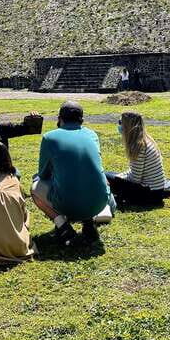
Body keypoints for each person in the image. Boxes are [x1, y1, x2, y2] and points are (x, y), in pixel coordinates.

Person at [31, 101, 115, 246]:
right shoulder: (92, 135)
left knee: (35, 188)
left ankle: (63, 227)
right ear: (81, 119)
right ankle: (88, 222)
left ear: (60, 119)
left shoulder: (49, 137)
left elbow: (43, 174)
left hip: (68, 205)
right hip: (99, 202)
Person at [105, 111, 170, 206]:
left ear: (128, 126)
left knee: (104, 176)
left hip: (150, 194)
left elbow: (135, 178)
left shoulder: (138, 145)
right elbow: (135, 172)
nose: (119, 125)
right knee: (111, 175)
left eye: (120, 122)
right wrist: (121, 176)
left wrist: (119, 178)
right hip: (156, 191)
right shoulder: (145, 140)